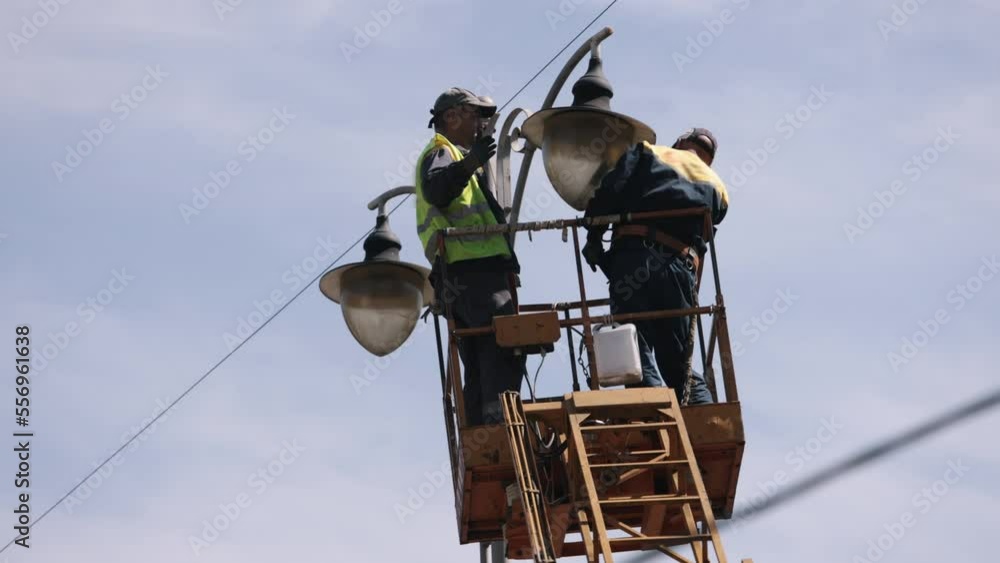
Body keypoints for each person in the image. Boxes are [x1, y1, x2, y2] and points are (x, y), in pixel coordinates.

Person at [581, 128, 727, 405]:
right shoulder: (716, 185)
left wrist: (593, 238)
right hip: (680, 270)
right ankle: (704, 421)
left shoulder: (648, 151)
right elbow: (704, 235)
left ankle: (655, 416)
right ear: (708, 159)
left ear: (681, 142)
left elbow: (611, 190)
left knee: (635, 351)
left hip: (635, 257)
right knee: (679, 369)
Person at [415, 87, 525, 426]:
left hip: (464, 275)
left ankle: (483, 425)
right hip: (473, 271)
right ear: (451, 117)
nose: (481, 122)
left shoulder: (457, 161)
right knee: (504, 342)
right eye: (474, 114)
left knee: (480, 354)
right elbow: (437, 189)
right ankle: (499, 424)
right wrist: (473, 161)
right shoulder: (442, 152)